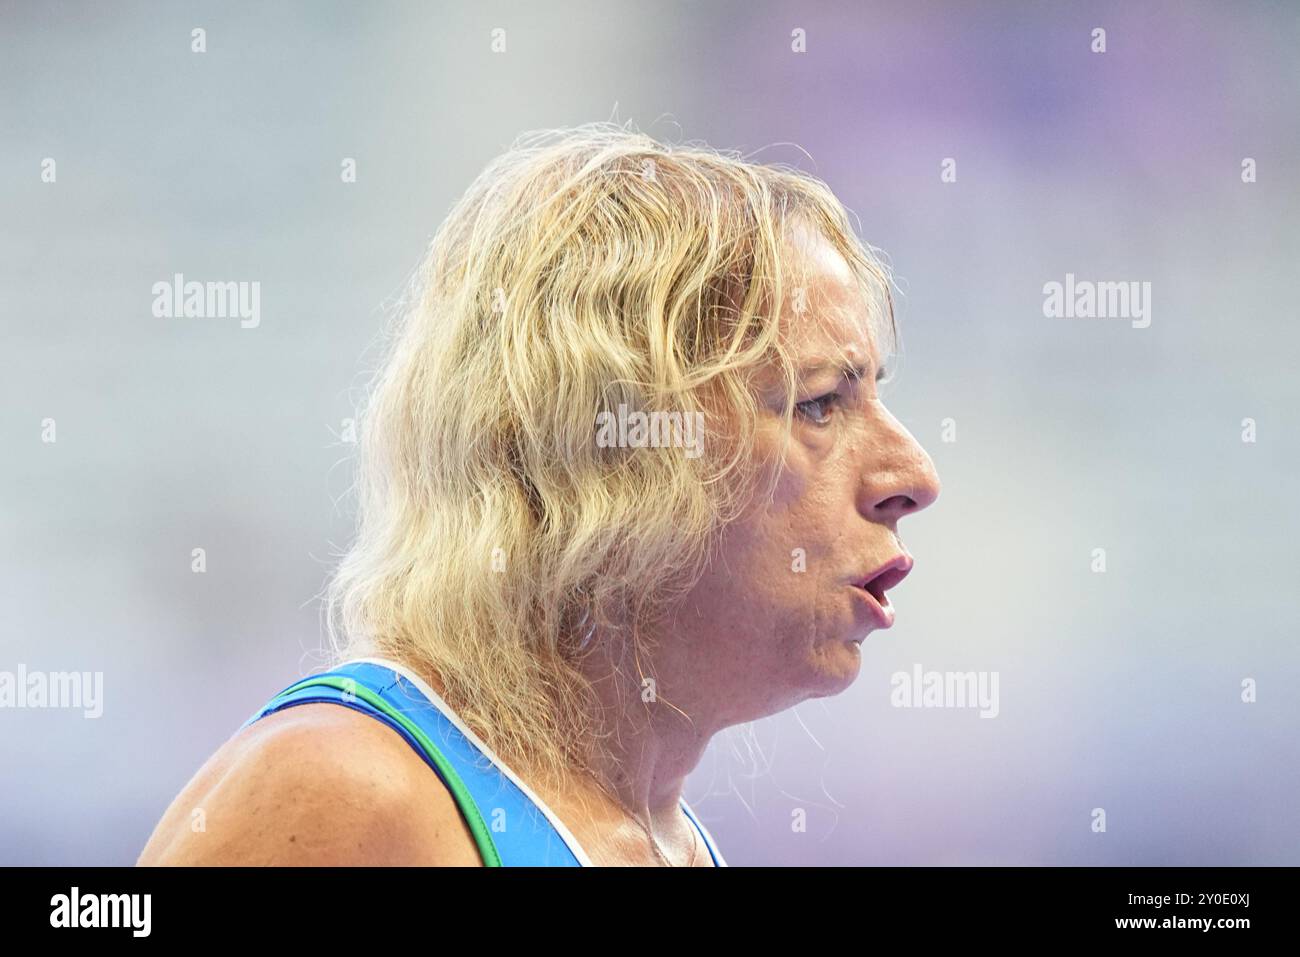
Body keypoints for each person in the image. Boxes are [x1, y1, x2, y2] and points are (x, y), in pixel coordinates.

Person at [137, 123, 941, 867]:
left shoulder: (667, 841)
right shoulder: (343, 790)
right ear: (616, 456)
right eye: (820, 403)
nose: (913, 476)